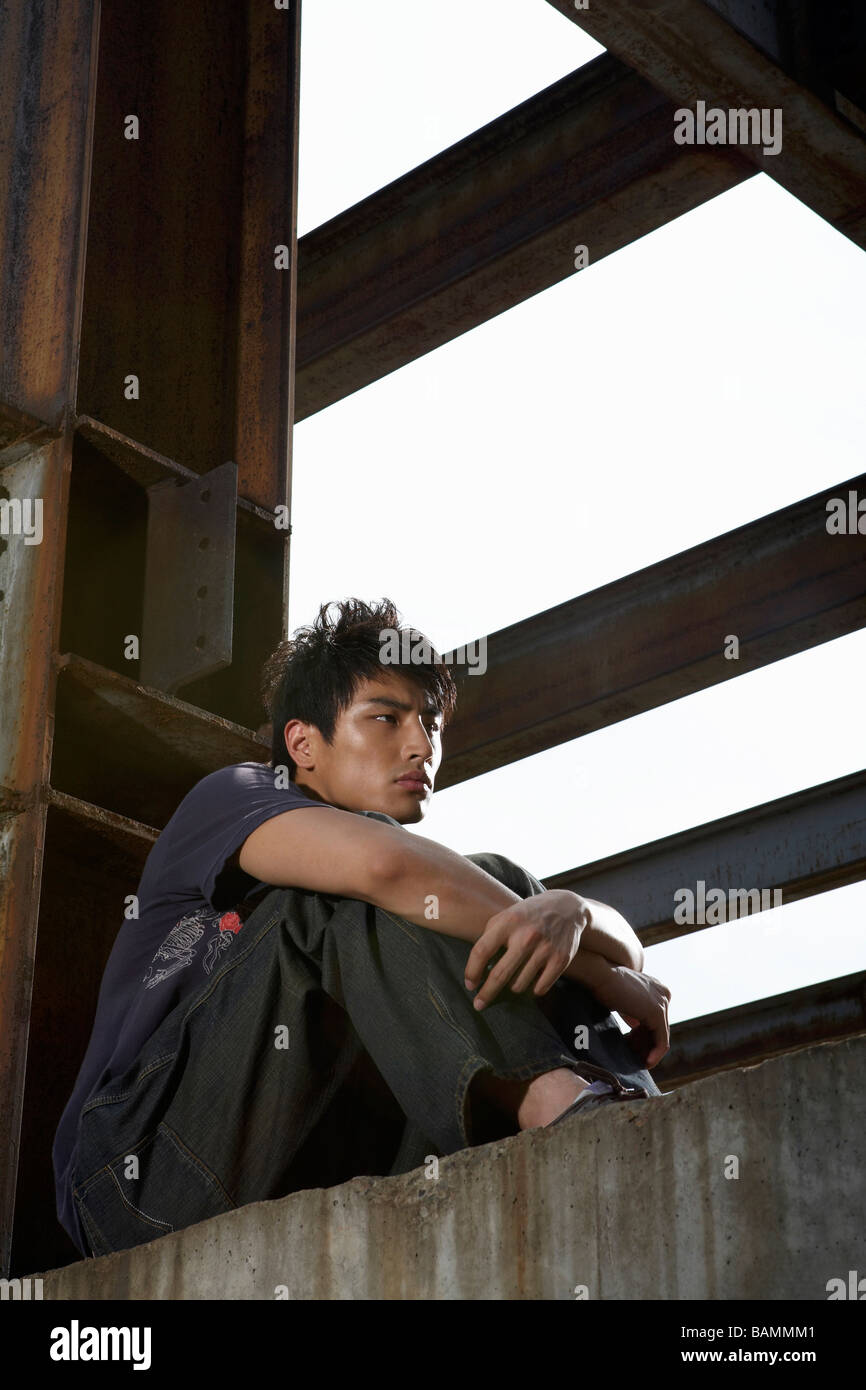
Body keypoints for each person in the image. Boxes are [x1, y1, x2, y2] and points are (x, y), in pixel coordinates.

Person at [53, 597, 672, 1259]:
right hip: (139, 1174)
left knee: (498, 887)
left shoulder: (427, 887)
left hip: (300, 1161)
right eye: (387, 718)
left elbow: (624, 940)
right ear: (303, 744)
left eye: (431, 724)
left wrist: (571, 913)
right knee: (367, 895)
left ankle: (637, 1112)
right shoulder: (237, 794)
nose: (422, 745)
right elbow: (383, 868)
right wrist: (599, 971)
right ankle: (562, 1110)